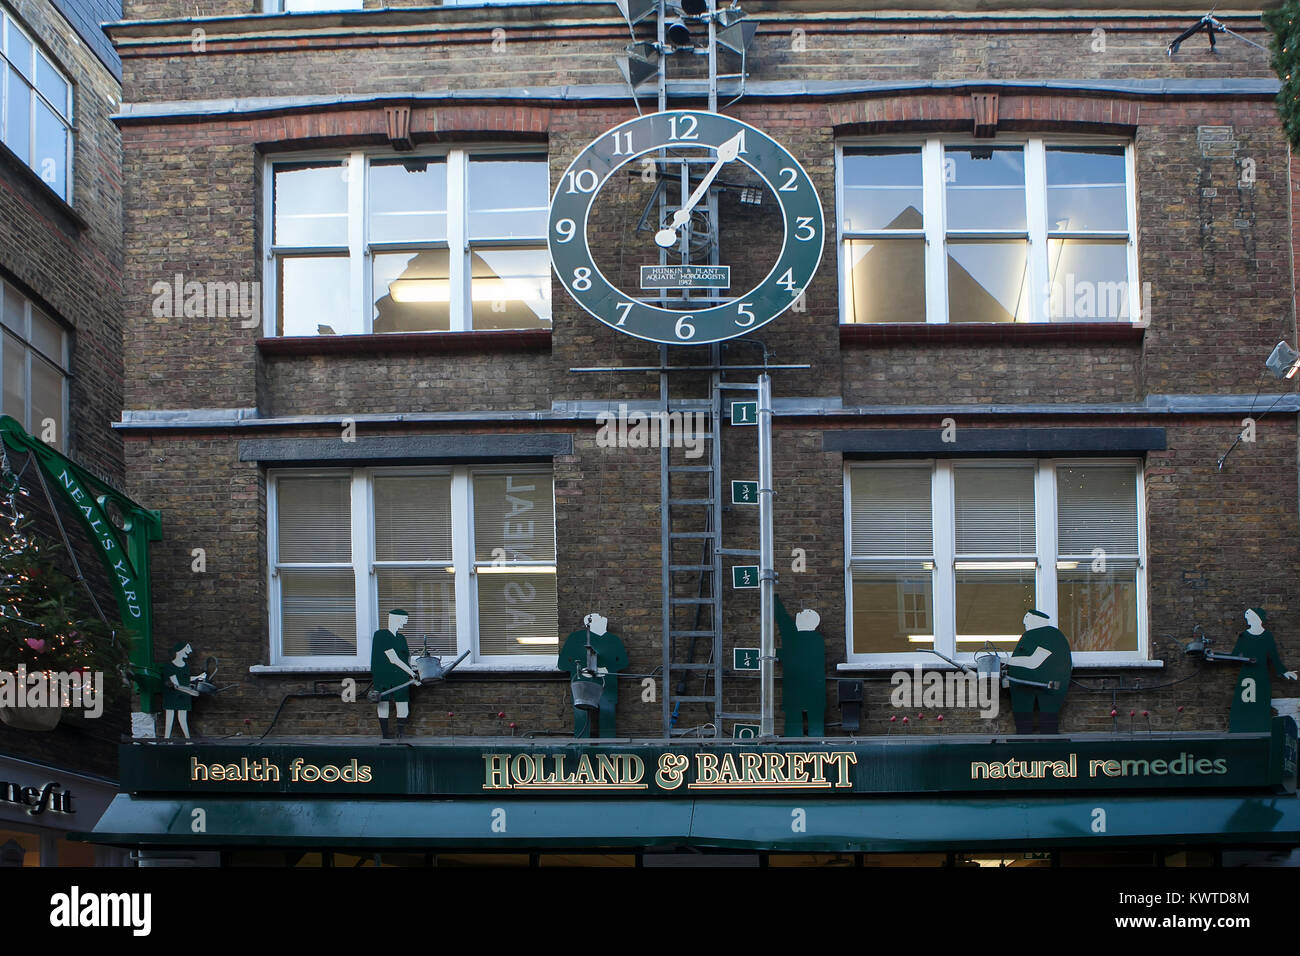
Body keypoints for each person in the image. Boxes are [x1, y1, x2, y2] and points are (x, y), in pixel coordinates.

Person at [557, 613, 628, 738]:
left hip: (608, 686)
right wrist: (580, 669)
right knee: (582, 718)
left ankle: (608, 748)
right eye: (599, 617)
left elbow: (623, 662)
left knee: (607, 718)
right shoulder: (575, 638)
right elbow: (562, 663)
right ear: (589, 623)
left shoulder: (613, 640)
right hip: (582, 687)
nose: (603, 618)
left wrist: (606, 669)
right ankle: (580, 748)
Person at [1229, 607, 1298, 733]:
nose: (1247, 620)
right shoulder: (1244, 636)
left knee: (1261, 701)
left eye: (1249, 617)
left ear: (1257, 618)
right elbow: (1234, 655)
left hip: (1261, 674)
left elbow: (1274, 657)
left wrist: (1284, 671)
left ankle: (1261, 727)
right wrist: (1215, 656)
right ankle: (1240, 727)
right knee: (1244, 701)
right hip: (1247, 675)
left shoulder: (1267, 636)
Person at [1007, 609, 1072, 734]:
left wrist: (1006, 661)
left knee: (1048, 721)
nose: (1024, 623)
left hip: (1048, 685)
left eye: (1027, 619)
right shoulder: (1031, 635)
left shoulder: (1048, 635)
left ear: (1035, 619)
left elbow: (1034, 662)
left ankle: (1047, 746)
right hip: (1025, 686)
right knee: (1024, 722)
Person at [776, 595, 826, 737]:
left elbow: (782, 618)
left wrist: (774, 599)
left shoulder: (793, 637)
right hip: (816, 692)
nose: (797, 614)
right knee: (817, 727)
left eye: (801, 614)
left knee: (792, 726)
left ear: (805, 621)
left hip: (795, 690)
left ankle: (792, 751)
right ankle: (818, 750)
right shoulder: (818, 640)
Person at [371, 608, 419, 738]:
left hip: (400, 675)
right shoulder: (380, 635)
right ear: (394, 618)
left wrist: (418, 667)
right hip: (383, 675)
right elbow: (394, 658)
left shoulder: (401, 638)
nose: (404, 624)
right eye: (404, 620)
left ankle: (400, 734)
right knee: (383, 702)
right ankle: (385, 735)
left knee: (403, 704)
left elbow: (405, 659)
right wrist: (412, 674)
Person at [162, 640, 200, 740]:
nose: (190, 650)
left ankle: (187, 739)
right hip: (172, 695)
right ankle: (167, 739)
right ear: (180, 650)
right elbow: (176, 684)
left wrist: (198, 677)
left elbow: (185, 680)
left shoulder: (186, 666)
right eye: (187, 647)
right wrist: (190, 691)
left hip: (183, 696)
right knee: (169, 720)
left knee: (183, 719)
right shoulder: (169, 666)